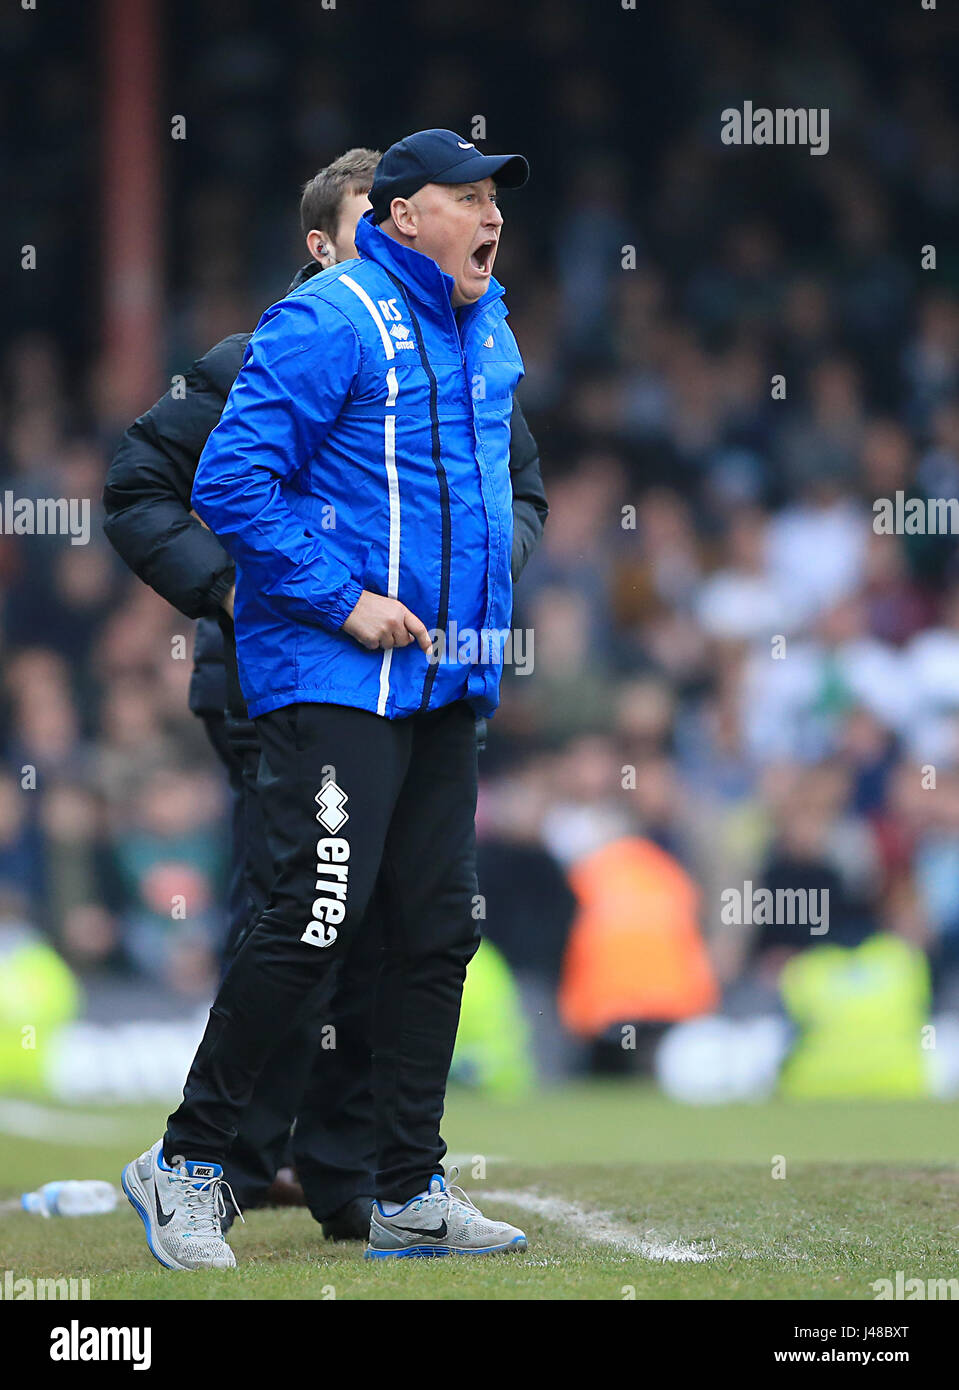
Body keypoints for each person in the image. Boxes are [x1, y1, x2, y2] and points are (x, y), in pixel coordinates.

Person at [120, 130, 537, 1266]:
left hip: (444, 676)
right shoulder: (328, 317)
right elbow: (228, 483)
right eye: (466, 197)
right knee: (313, 917)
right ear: (402, 214)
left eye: (494, 197)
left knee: (437, 929)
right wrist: (342, 598)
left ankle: (407, 1188)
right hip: (336, 669)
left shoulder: (485, 328)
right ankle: (187, 1162)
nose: (490, 215)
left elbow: (493, 497)